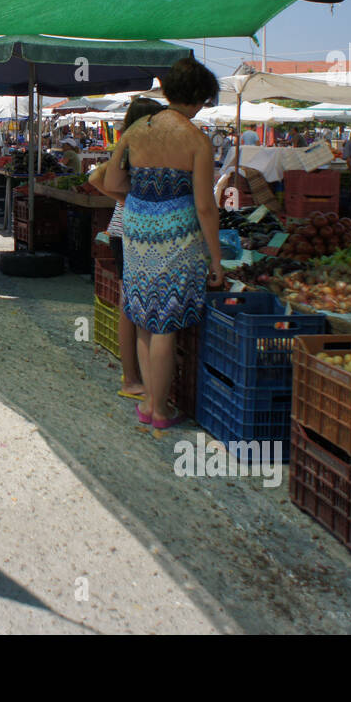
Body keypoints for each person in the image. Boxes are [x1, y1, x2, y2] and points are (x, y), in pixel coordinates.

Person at [103, 58, 224, 429]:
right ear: (200, 98)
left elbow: (111, 183)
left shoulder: (137, 129)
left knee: (142, 318)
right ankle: (159, 410)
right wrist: (216, 261)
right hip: (178, 237)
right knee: (166, 324)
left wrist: (142, 199)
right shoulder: (196, 139)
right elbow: (205, 207)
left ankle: (149, 403)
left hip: (138, 232)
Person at [89, 95, 165, 401]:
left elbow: (96, 177)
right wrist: (128, 200)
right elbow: (95, 177)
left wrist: (124, 199)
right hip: (131, 234)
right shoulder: (137, 151)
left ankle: (134, 377)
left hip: (124, 233)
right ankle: (133, 378)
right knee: (131, 307)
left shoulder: (131, 150)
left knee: (129, 305)